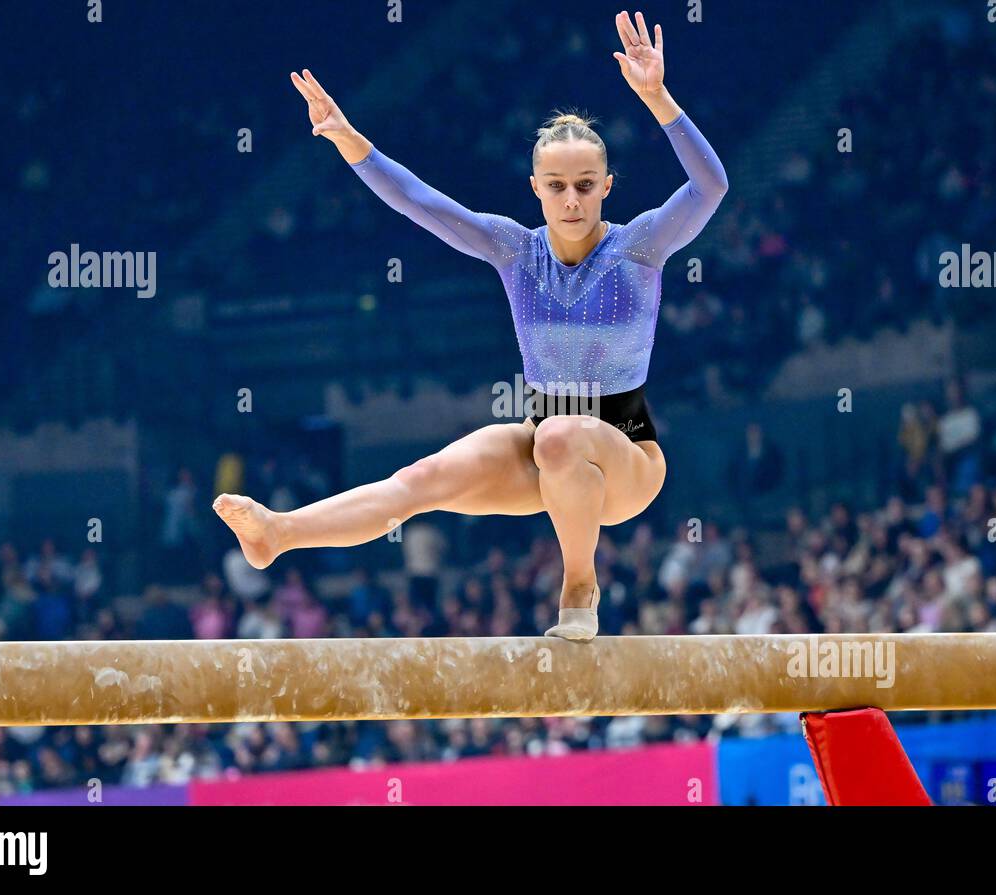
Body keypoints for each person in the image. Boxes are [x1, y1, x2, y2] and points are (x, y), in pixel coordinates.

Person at [214, 11, 728, 641]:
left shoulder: (640, 247)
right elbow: (421, 203)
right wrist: (348, 138)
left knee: (563, 434)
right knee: (420, 481)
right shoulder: (515, 250)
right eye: (558, 185)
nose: (572, 201)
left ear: (608, 187)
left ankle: (579, 584)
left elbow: (710, 186)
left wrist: (657, 97)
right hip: (544, 447)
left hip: (626, 459)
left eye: (586, 186)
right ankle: (280, 532)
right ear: (535, 187)